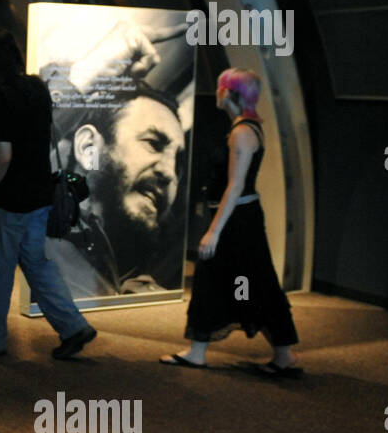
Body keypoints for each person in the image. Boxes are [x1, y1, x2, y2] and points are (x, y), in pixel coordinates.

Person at [0, 30, 96, 359]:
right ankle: (73, 326)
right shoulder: (37, 88)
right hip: (39, 196)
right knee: (38, 265)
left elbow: (3, 156)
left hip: (8, 199)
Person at [162, 69, 300, 374]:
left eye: (220, 86)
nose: (216, 92)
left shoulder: (242, 133)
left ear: (229, 93)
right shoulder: (244, 128)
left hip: (238, 222)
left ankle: (282, 356)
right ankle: (204, 350)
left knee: (251, 282)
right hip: (238, 219)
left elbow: (235, 187)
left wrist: (213, 231)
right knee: (228, 280)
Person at [48, 82, 185, 296]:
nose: (170, 174)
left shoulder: (142, 287)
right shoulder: (45, 236)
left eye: (178, 163)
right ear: (88, 148)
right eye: (153, 143)